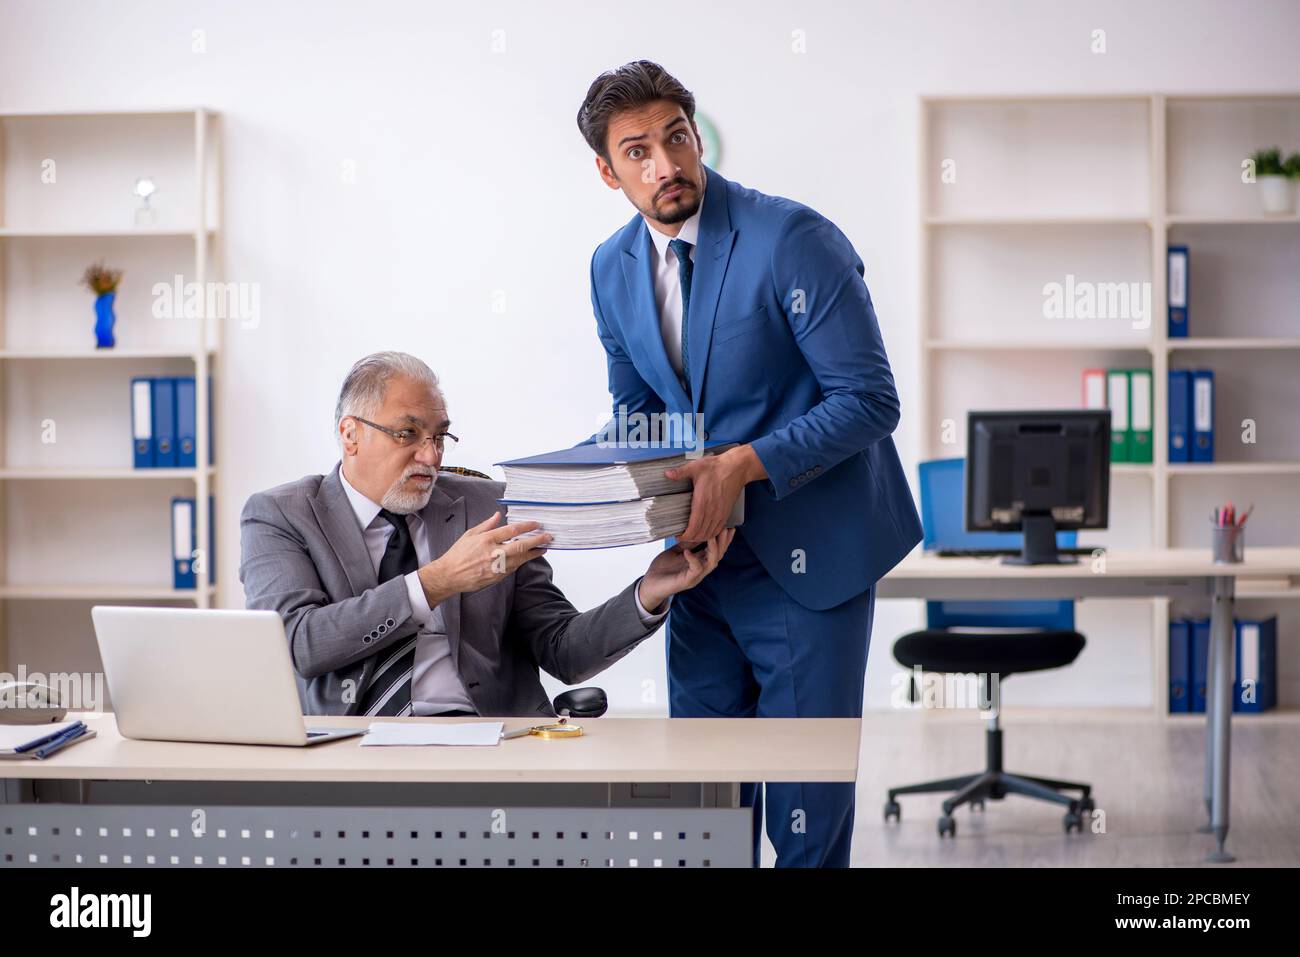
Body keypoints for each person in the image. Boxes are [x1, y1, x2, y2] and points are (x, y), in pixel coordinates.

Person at [576, 62, 923, 866]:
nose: (664, 164)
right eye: (637, 152)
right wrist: (580, 489)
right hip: (699, 565)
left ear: (698, 136)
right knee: (704, 807)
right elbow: (641, 417)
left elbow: (870, 400)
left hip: (811, 561)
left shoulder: (791, 239)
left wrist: (742, 464)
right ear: (606, 170)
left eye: (676, 137)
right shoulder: (610, 268)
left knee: (803, 816)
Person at [239, 351, 732, 717]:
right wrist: (436, 582)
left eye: (439, 436)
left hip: (489, 747)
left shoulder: (484, 506)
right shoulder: (281, 516)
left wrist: (648, 593)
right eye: (408, 434)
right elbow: (300, 644)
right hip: (352, 751)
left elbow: (561, 649)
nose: (430, 456)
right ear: (350, 434)